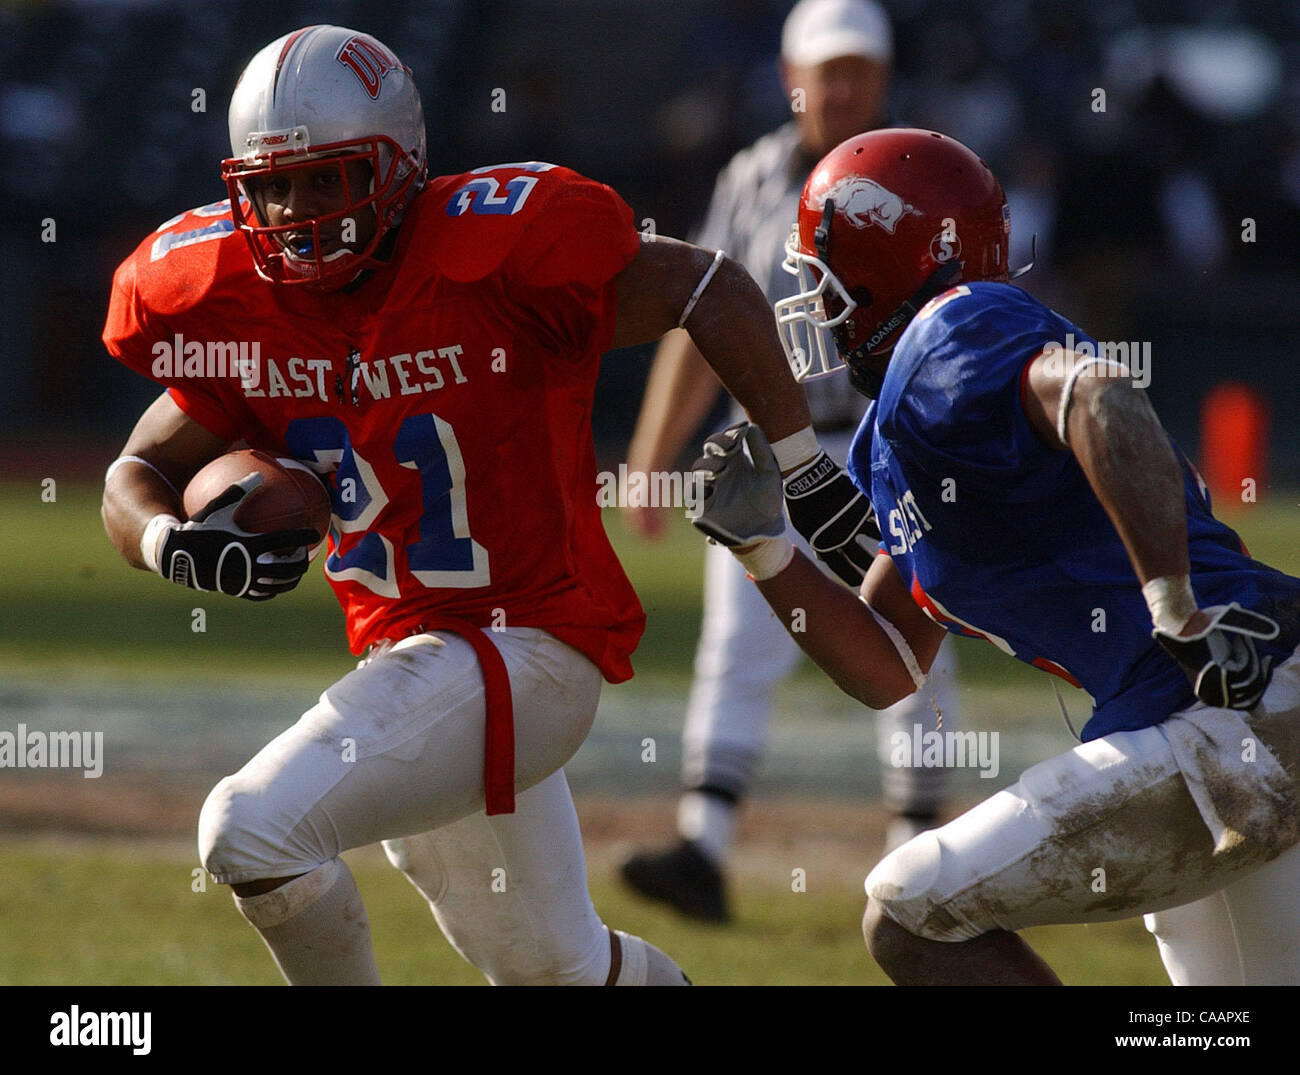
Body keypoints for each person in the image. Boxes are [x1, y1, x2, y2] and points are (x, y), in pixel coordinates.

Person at [98, 25, 868, 986]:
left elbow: (708, 283)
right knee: (556, 968)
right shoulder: (236, 299)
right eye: (271, 186)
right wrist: (175, 543)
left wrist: (803, 461)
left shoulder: (492, 247)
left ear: (396, 168)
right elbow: (134, 474)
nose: (297, 213)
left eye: (327, 180)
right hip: (412, 661)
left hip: (531, 642)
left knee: (249, 829)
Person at [689, 126, 1300, 984]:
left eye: (827, 281)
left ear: (892, 267)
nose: (819, 308)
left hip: (1221, 696)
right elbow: (887, 663)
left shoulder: (951, 328)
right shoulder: (893, 436)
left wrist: (1174, 604)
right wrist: (762, 550)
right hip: (1234, 710)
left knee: (908, 914)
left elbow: (1100, 391)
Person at [621, 0, 960, 924]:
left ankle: (918, 858)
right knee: (737, 643)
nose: (844, 86)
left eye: (860, 68)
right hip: (771, 441)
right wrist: (654, 450)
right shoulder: (755, 176)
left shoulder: (916, 171)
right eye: (829, 68)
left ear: (884, 79)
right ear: (791, 77)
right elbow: (701, 314)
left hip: (886, 445)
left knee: (916, 642)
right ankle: (704, 844)